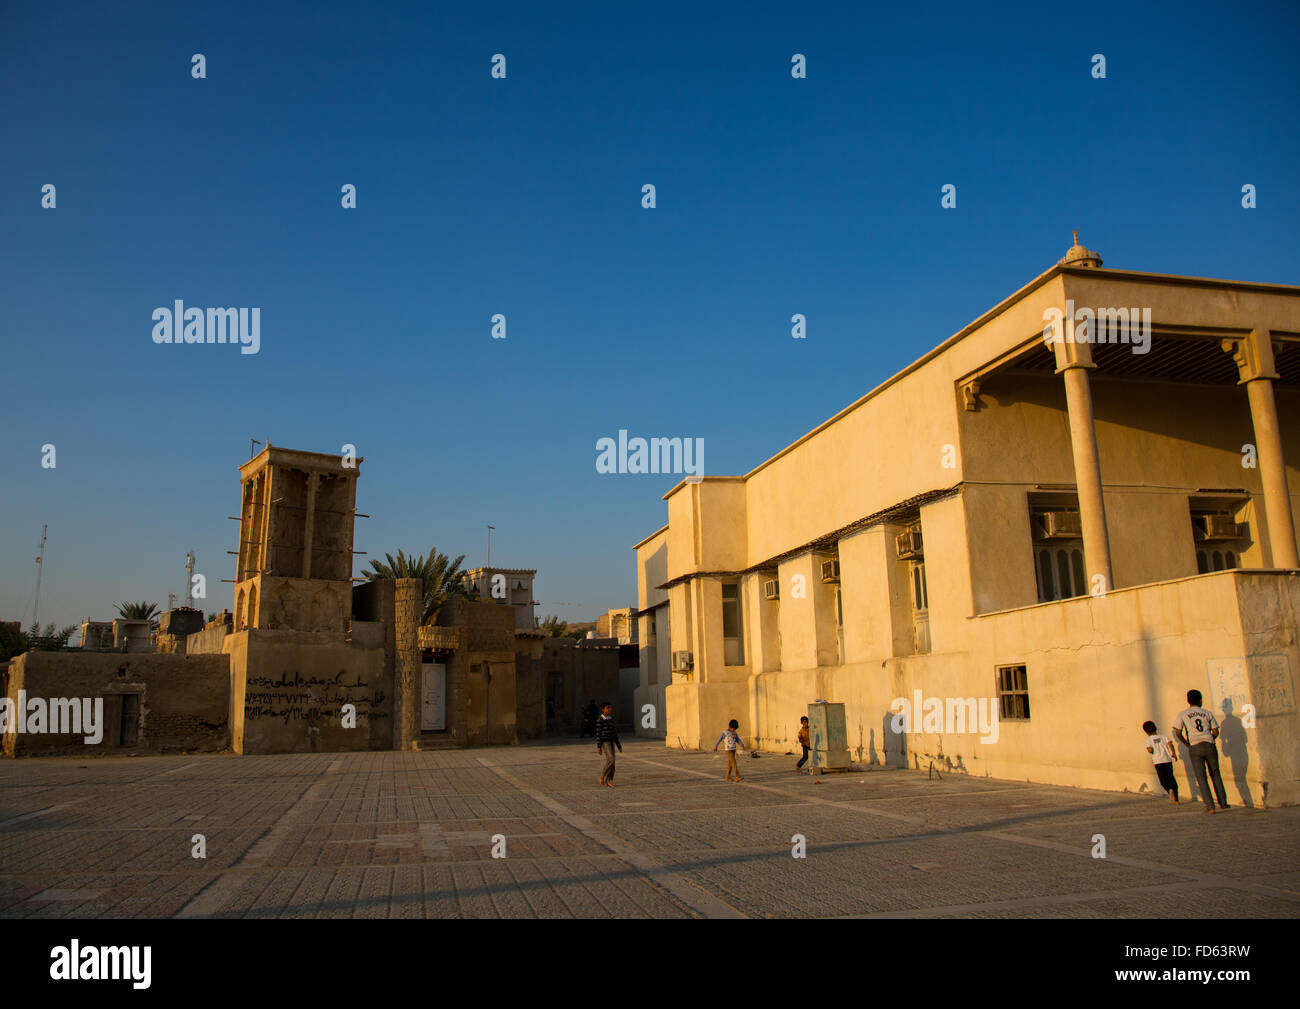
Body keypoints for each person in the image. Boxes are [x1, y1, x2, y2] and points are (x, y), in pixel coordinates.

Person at [1172, 689, 1229, 814]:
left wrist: (1187, 743)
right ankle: (1223, 802)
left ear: (1188, 701)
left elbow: (1177, 731)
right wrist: (1209, 739)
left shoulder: (1183, 714)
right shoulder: (1207, 713)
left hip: (1194, 746)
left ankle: (1210, 806)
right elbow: (1215, 731)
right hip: (1209, 744)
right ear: (1200, 700)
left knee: (1201, 777)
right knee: (1215, 774)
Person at [1142, 720, 1178, 803]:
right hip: (1168, 760)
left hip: (1158, 762)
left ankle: (1169, 790)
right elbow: (1170, 744)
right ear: (1155, 728)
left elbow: (1150, 750)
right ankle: (1176, 799)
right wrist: (1173, 753)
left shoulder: (1149, 740)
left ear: (1146, 732)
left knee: (1163, 780)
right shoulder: (1163, 736)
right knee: (1171, 778)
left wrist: (1149, 750)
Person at [595, 702, 621, 787]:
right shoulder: (600, 719)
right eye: (607, 708)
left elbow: (614, 733)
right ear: (603, 709)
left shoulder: (611, 719)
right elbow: (598, 733)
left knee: (613, 763)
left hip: (612, 741)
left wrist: (618, 745)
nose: (609, 709)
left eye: (610, 707)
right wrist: (599, 747)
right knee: (611, 759)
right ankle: (602, 775)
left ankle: (608, 780)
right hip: (605, 742)